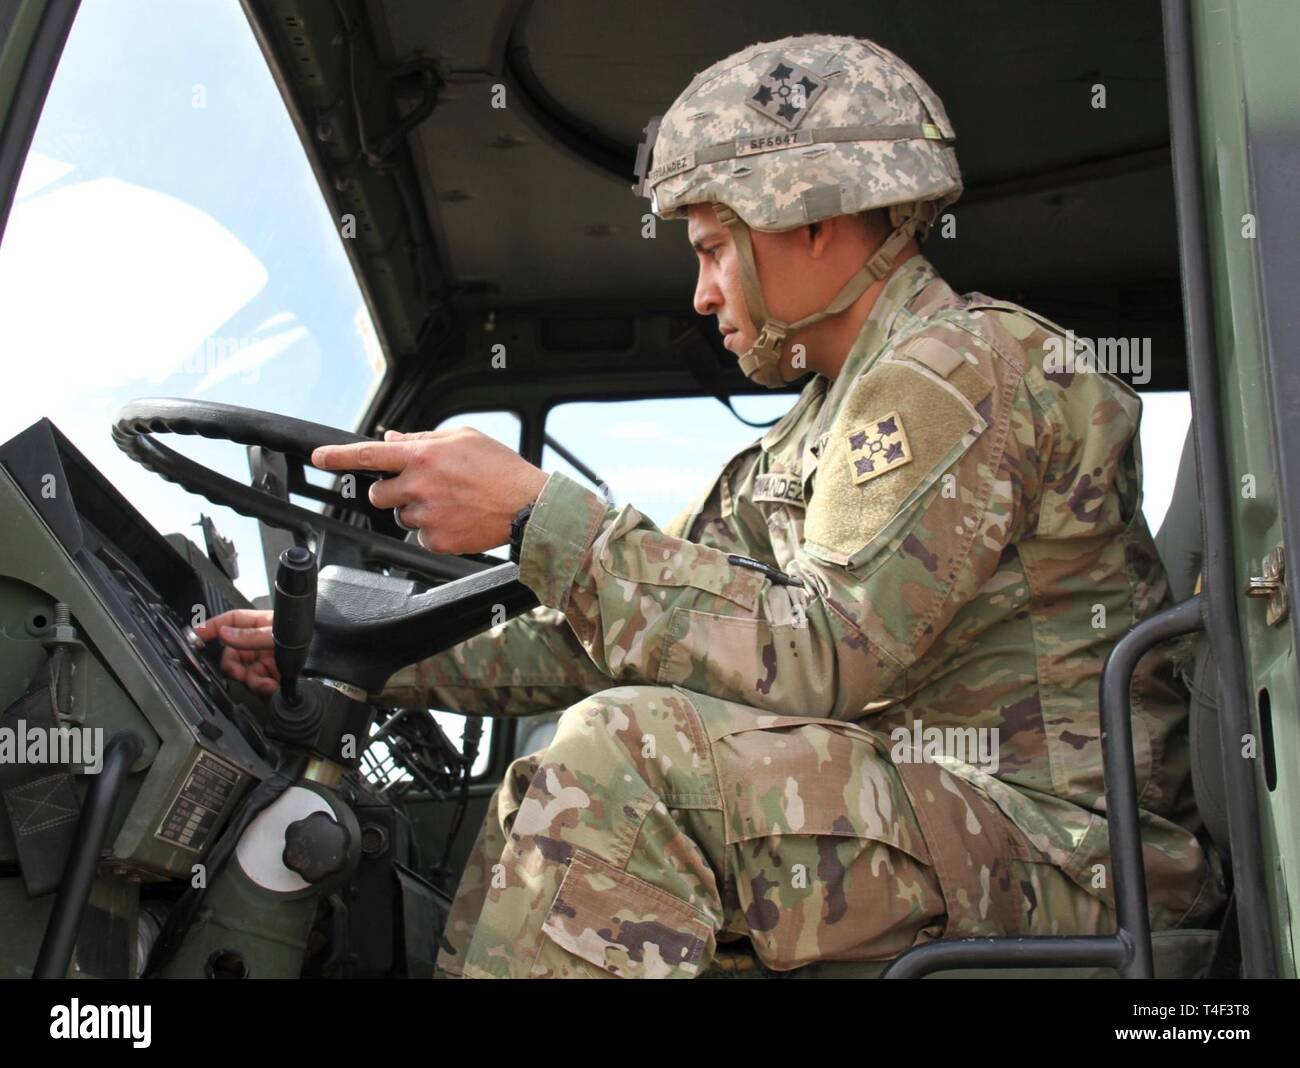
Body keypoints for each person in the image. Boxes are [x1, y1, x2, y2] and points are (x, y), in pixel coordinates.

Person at [198, 34, 1225, 979]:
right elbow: (609, 638)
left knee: (626, 759)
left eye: (711, 248)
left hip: (1070, 860)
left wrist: (535, 513)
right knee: (608, 754)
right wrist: (348, 652)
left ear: (811, 222)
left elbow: (828, 651)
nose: (700, 293)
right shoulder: (811, 434)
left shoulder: (949, 371)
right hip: (959, 832)